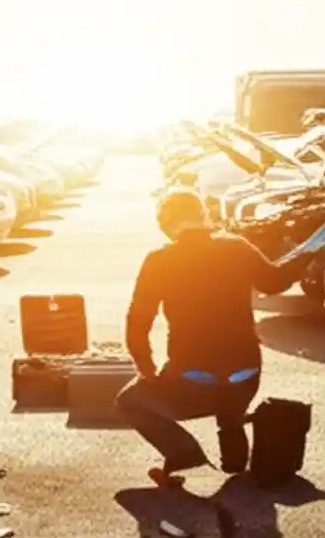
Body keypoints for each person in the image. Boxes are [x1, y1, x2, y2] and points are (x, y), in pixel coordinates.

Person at [116, 187, 314, 487]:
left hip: (192, 382)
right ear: (203, 215)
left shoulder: (159, 260)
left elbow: (138, 321)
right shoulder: (236, 247)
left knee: (129, 401)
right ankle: (234, 456)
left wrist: (147, 369)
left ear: (165, 224)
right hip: (246, 375)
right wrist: (305, 255)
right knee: (229, 397)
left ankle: (183, 453)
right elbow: (274, 282)